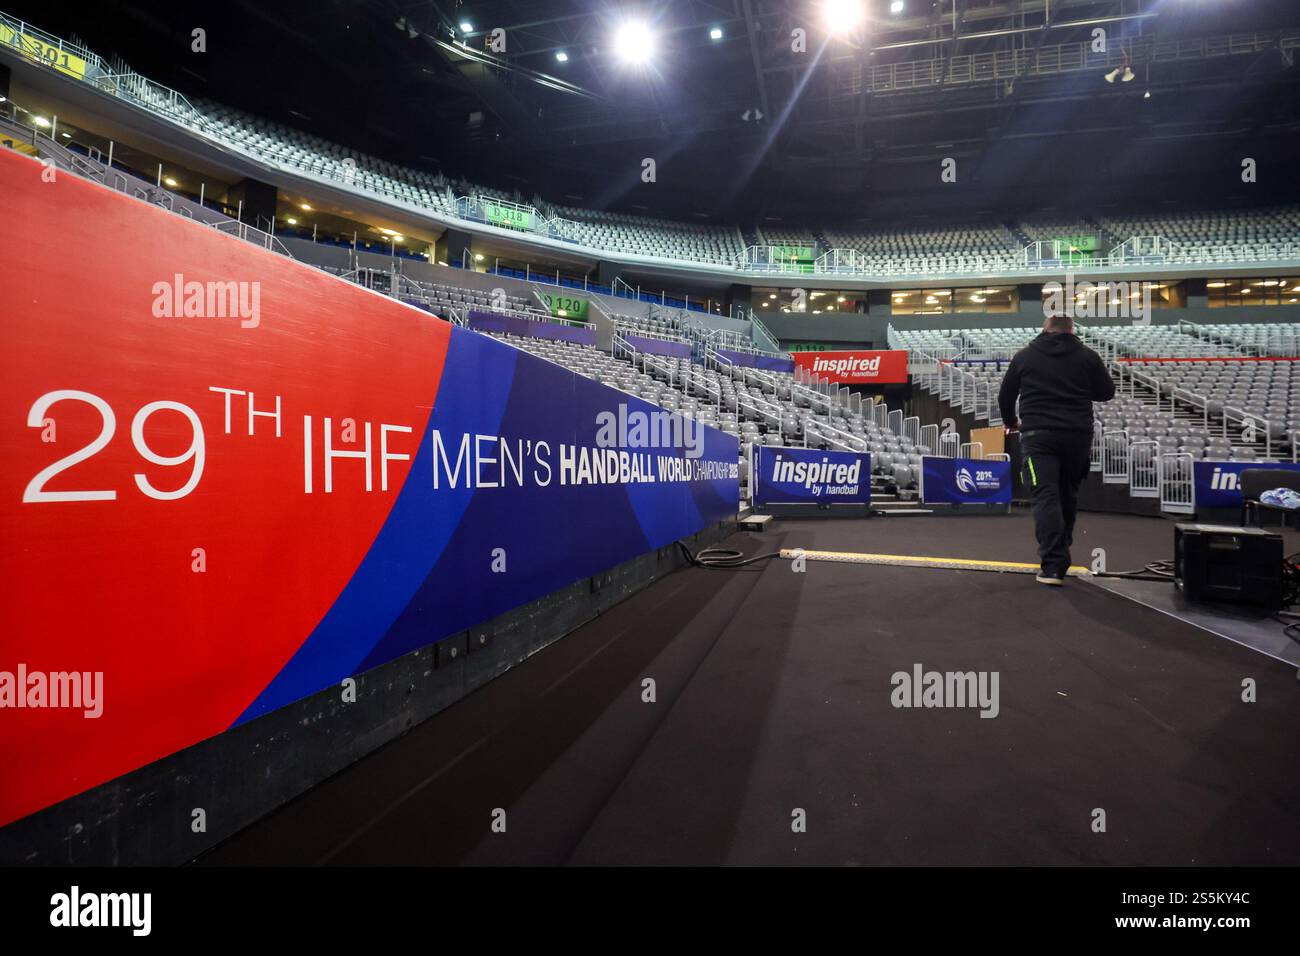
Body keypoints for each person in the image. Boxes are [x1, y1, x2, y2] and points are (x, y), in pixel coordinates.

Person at [997, 313, 1116, 585]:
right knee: (1067, 494)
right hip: (1077, 435)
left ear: (1044, 329)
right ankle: (1061, 549)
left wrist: (1010, 422)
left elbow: (1005, 395)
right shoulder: (1088, 356)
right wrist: (1079, 389)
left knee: (1045, 495)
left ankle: (1053, 565)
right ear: (1072, 331)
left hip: (1038, 435)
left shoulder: (1025, 355)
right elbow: (1107, 392)